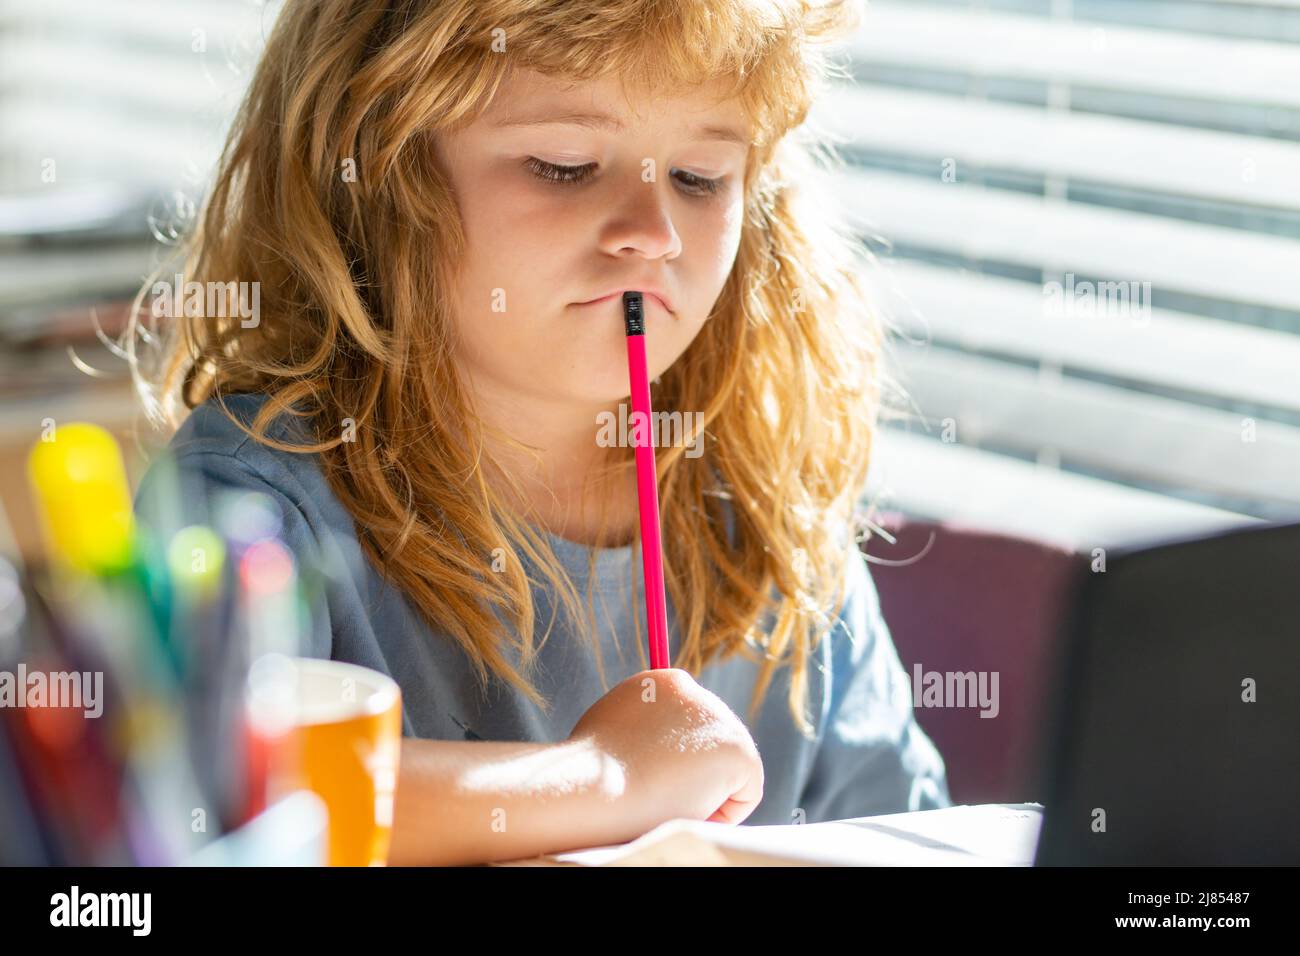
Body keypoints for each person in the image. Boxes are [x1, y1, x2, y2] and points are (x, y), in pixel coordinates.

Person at [128, 0, 950, 865]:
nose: (654, 234)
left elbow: (910, 834)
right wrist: (601, 782)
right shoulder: (254, 502)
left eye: (702, 176)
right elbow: (205, 808)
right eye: (565, 165)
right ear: (376, 174)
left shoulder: (767, 505)